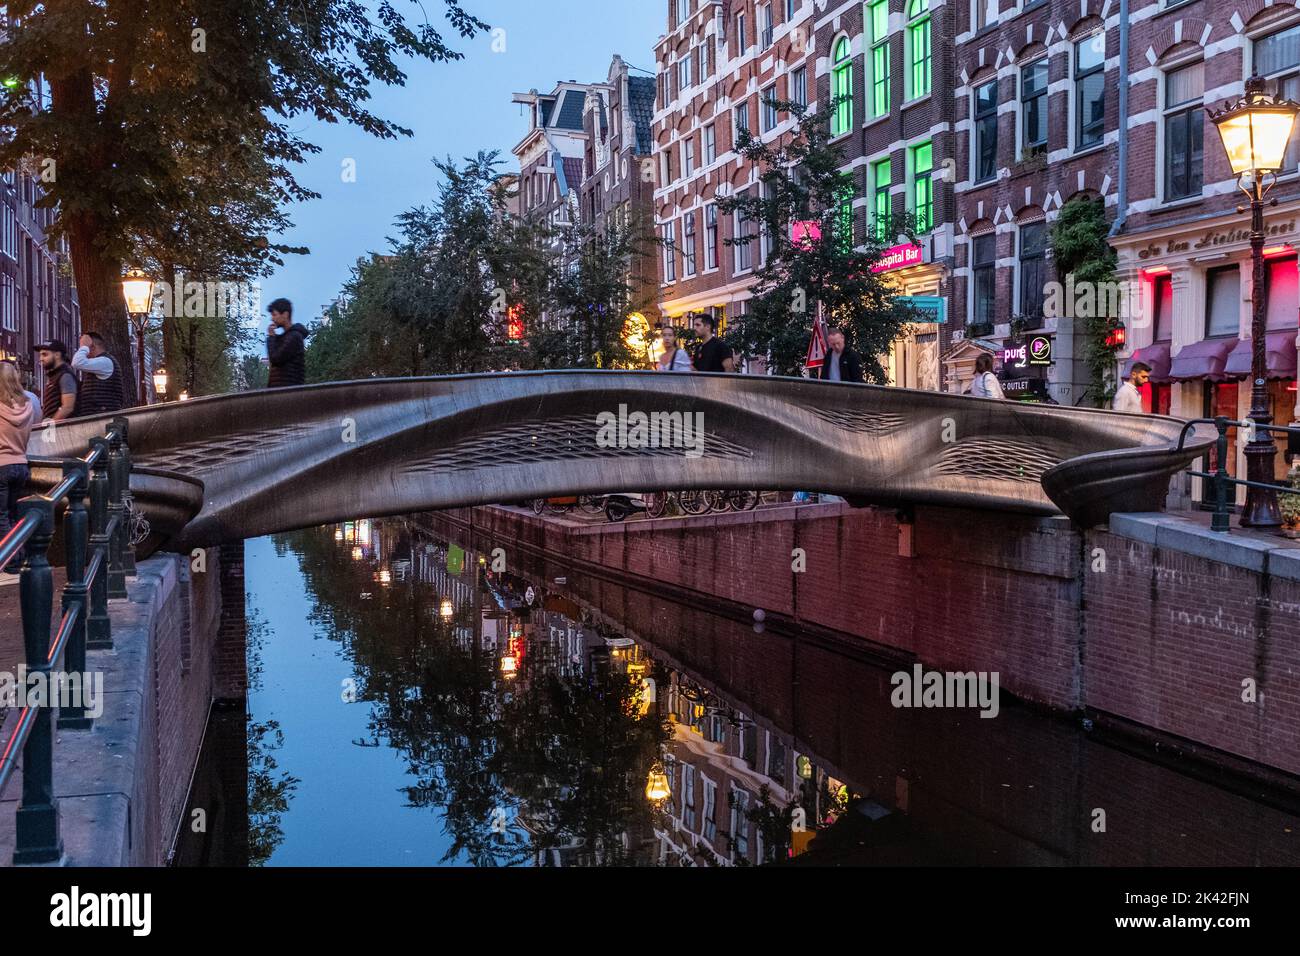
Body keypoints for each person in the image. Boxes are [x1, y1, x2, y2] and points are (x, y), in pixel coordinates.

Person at [0, 361, 39, 573]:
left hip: (1, 465)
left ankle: (11, 561)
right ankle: (20, 554)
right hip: (21, 464)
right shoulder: (27, 404)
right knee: (14, 514)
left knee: (1, 516)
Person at [71, 331, 125, 415]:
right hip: (99, 417)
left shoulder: (105, 362)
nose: (83, 352)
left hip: (102, 419)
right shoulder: (102, 363)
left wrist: (84, 346)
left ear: (92, 347)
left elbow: (77, 363)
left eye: (84, 348)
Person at [266, 297, 309, 388]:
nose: (272, 319)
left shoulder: (294, 337)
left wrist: (271, 337)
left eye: (274, 315)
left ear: (285, 315)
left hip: (288, 390)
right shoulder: (285, 337)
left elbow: (275, 358)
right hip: (281, 390)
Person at [32, 340, 79, 420]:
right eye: (40, 355)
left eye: (45, 355)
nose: (41, 359)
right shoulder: (56, 376)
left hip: (62, 430)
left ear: (57, 355)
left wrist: (50, 426)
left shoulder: (65, 376)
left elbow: (67, 407)